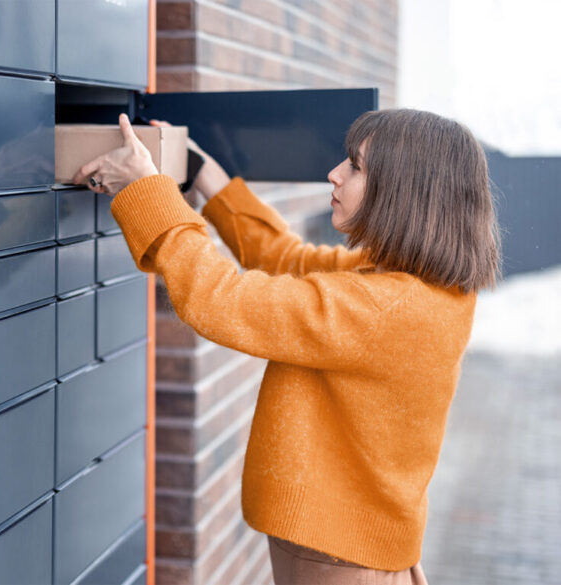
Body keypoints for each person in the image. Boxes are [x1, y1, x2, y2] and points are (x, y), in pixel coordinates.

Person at [73, 110, 501, 585]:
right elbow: (288, 261)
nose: (334, 173)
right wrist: (204, 175)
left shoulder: (385, 307)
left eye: (356, 166)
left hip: (338, 560)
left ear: (405, 191)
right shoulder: (421, 287)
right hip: (350, 550)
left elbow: (220, 301)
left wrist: (146, 191)